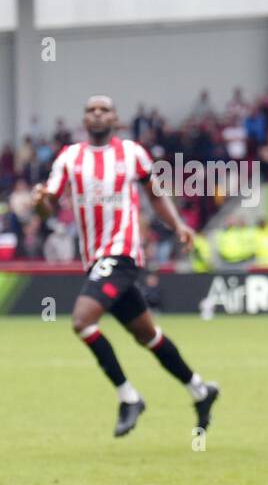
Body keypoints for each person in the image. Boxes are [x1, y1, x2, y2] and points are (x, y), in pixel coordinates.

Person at [32, 95, 218, 437]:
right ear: (84, 120)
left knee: (81, 321)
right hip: (95, 259)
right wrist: (41, 202)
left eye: (104, 109)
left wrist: (178, 226)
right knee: (147, 334)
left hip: (122, 253)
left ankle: (129, 396)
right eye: (91, 109)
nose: (97, 114)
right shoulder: (70, 158)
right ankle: (200, 389)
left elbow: (155, 195)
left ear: (115, 119)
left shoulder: (132, 153)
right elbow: (48, 207)